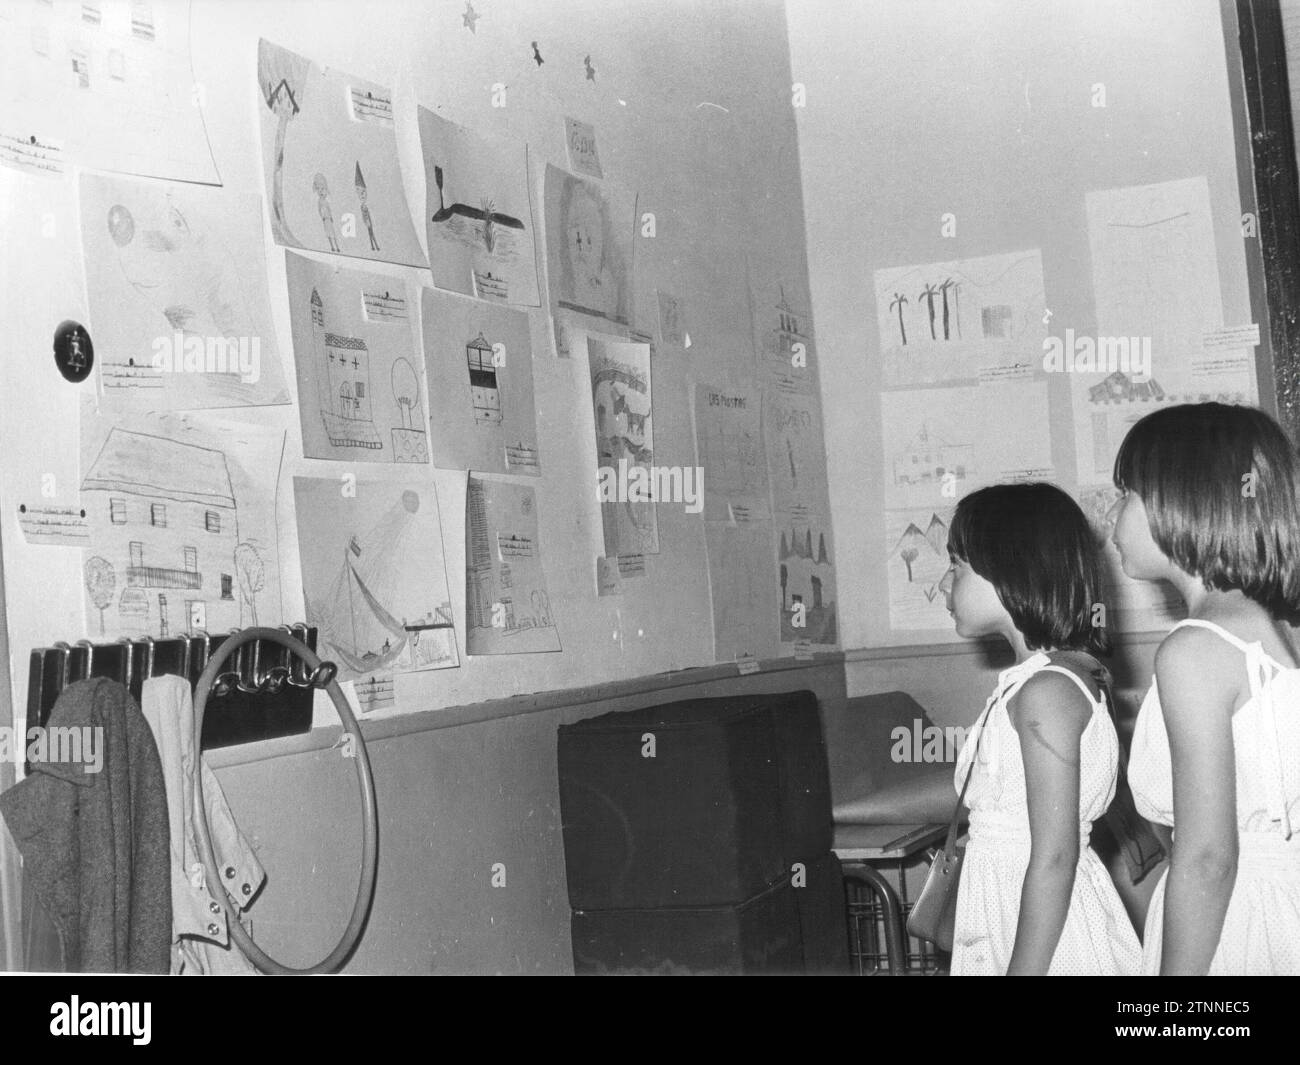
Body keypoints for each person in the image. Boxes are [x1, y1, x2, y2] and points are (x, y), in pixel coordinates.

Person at [1109, 402, 1300, 975]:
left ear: (1181, 501)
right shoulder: (1280, 631)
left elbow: (1209, 859)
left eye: (1125, 495)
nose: (1111, 515)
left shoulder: (1193, 649)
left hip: (1236, 926)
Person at [939, 482, 1141, 975]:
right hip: (1015, 907)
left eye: (958, 566)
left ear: (1011, 570)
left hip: (1045, 934)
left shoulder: (1046, 692)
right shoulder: (1041, 681)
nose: (945, 584)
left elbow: (1053, 856)